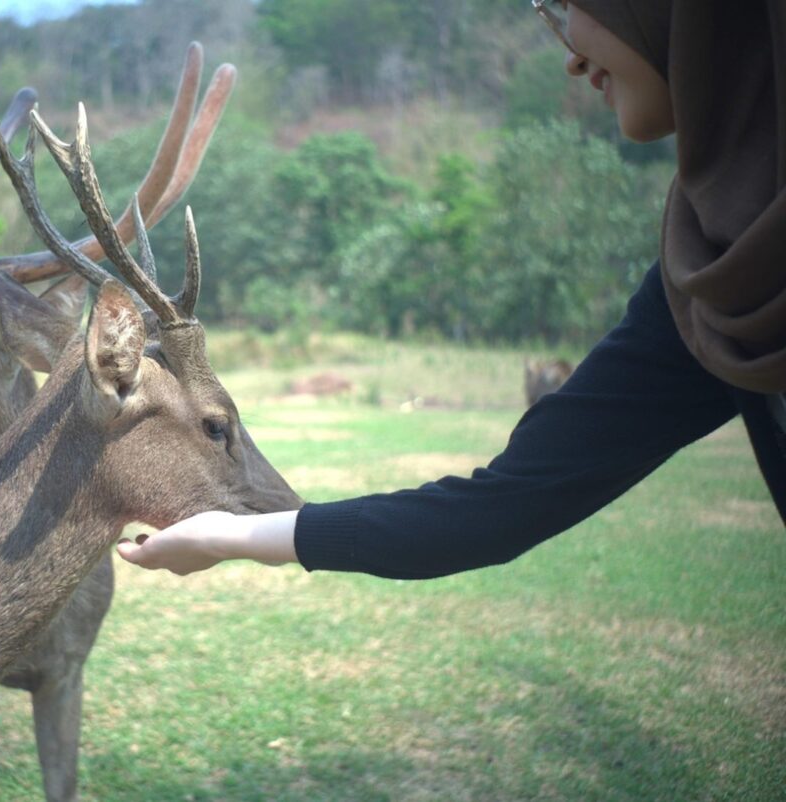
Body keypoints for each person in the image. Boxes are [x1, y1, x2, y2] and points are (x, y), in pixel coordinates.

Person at [116, 0, 786, 578]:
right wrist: (227, 535)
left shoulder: (715, 268)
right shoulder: (707, 271)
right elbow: (505, 505)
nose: (570, 58)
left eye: (568, 5)